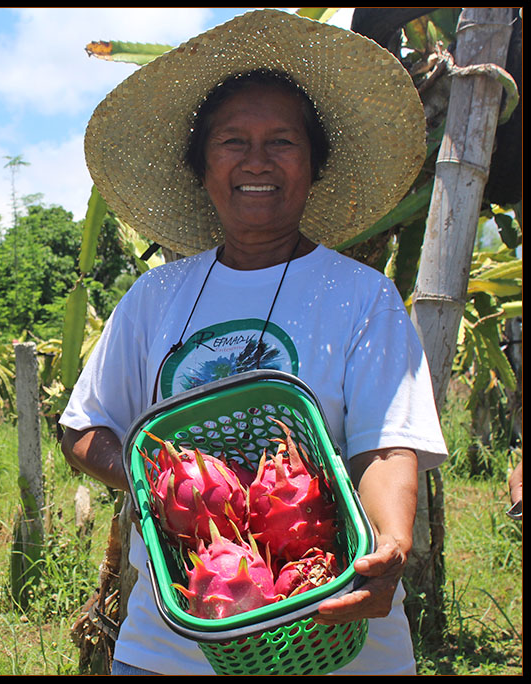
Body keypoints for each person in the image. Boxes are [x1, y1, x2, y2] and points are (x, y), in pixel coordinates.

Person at [61, 10, 449, 676]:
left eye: (282, 141)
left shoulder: (361, 297)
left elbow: (387, 444)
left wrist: (389, 542)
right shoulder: (154, 297)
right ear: (201, 165)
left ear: (313, 163)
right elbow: (84, 428)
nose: (256, 161)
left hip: (343, 641)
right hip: (168, 650)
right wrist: (169, 494)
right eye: (231, 141)